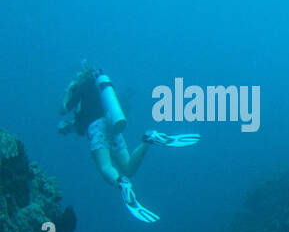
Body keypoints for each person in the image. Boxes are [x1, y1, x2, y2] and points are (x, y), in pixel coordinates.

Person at [57, 65, 198, 223]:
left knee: (105, 168)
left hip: (97, 130)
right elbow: (83, 118)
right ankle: (149, 139)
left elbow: (63, 109)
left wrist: (69, 90)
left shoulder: (79, 88)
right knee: (128, 168)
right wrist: (69, 126)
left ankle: (121, 183)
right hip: (112, 125)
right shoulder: (100, 89)